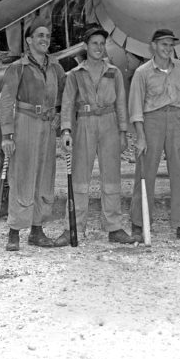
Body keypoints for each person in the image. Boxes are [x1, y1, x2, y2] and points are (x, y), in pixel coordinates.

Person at [59, 25, 134, 244]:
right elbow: (67, 103)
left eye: (102, 43)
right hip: (85, 121)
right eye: (94, 43)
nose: (99, 48)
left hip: (109, 122)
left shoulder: (114, 72)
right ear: (86, 46)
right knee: (79, 179)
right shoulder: (75, 74)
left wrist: (123, 131)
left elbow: (121, 103)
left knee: (111, 178)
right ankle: (73, 227)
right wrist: (66, 130)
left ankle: (114, 227)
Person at [0, 18, 66, 251]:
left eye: (47, 36)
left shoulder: (55, 67)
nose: (44, 39)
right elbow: (7, 101)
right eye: (40, 36)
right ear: (29, 40)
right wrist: (7, 135)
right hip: (25, 123)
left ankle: (37, 230)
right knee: (22, 176)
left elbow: (66, 94)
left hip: (48, 126)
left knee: (45, 177)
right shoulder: (18, 68)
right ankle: (14, 231)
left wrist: (60, 114)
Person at [128, 28, 180, 241]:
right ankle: (139, 223)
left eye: (170, 45)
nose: (168, 49)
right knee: (145, 172)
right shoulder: (142, 72)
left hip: (176, 120)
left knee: (179, 172)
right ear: (153, 46)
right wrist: (140, 136)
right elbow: (136, 105)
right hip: (152, 120)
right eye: (163, 44)